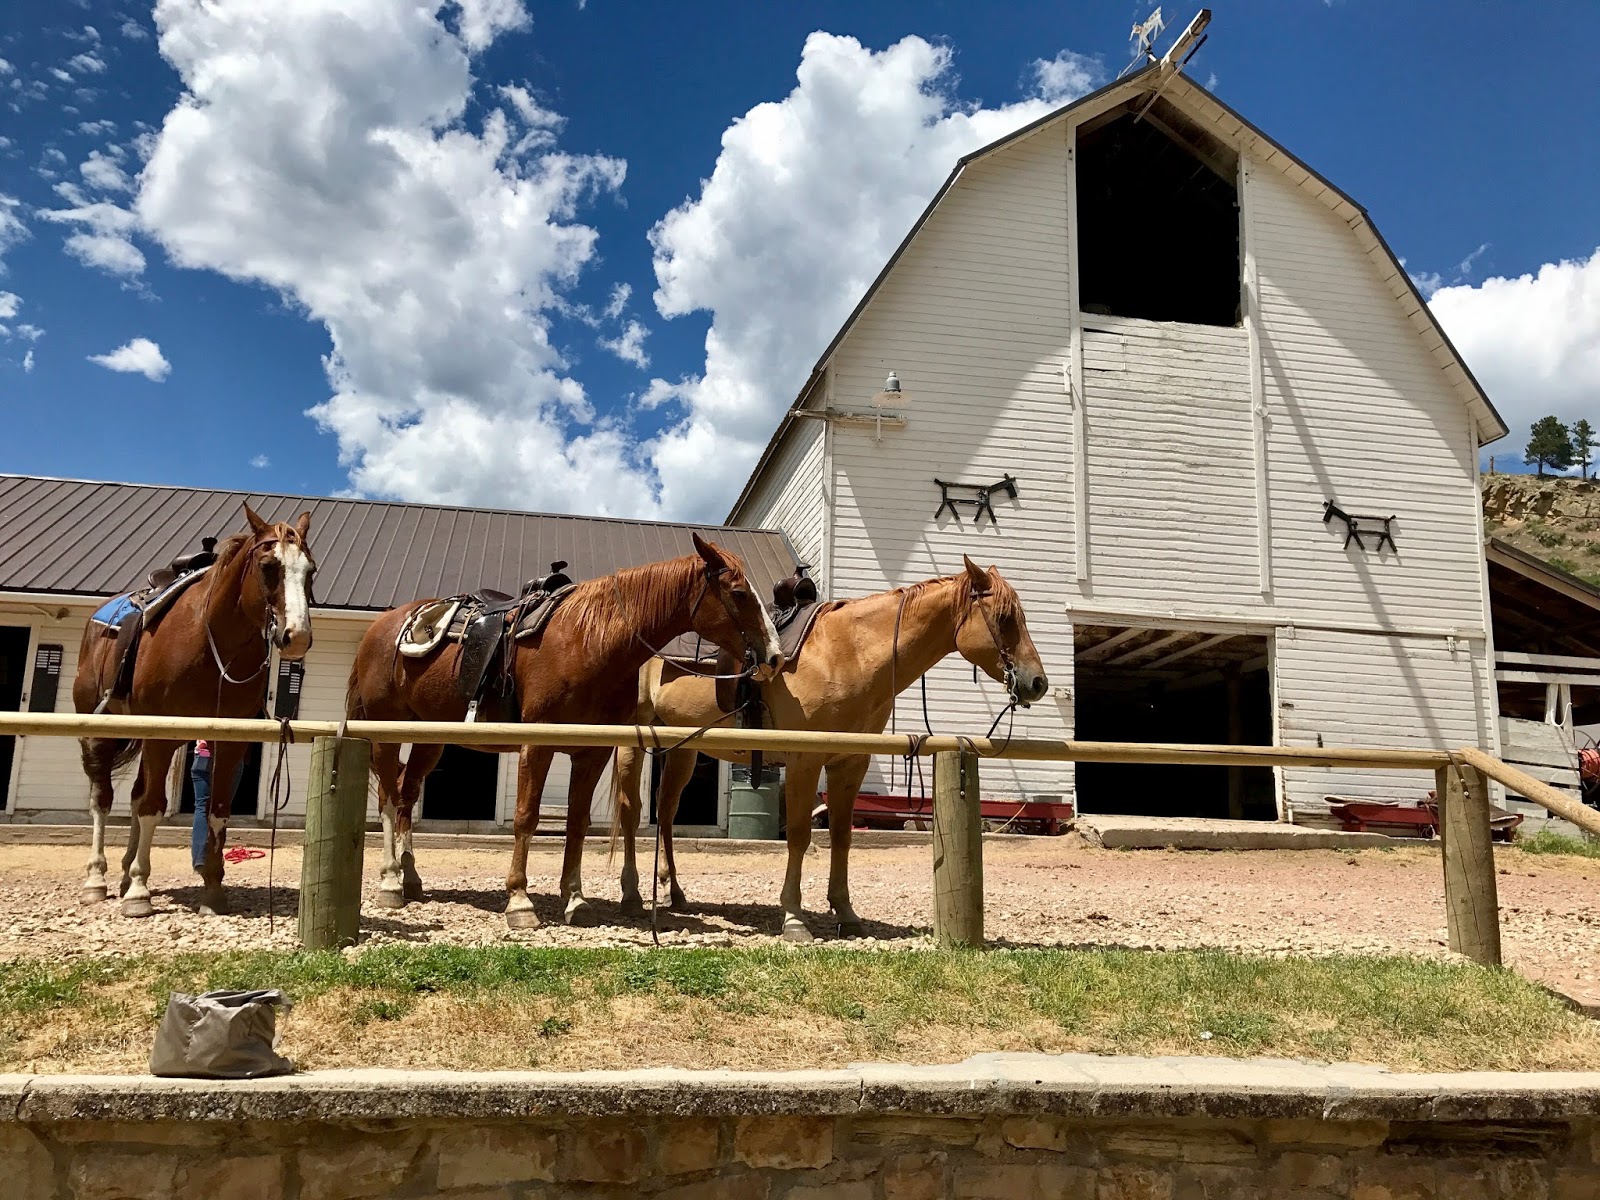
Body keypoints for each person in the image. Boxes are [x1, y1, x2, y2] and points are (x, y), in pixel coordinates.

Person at [190, 741, 242, 872]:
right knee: (221, 807)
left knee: (201, 806)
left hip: (202, 757)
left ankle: (200, 858)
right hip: (230, 759)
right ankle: (214, 857)